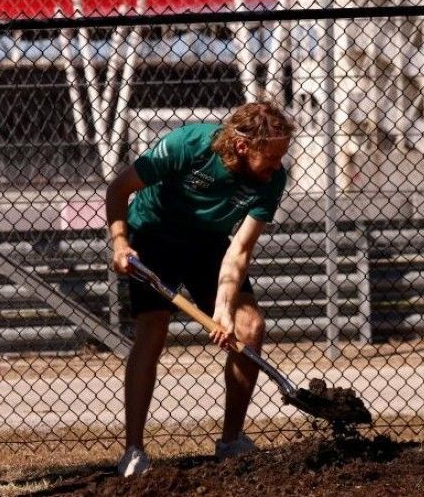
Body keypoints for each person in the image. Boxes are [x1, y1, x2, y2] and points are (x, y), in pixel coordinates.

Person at [105, 101, 294, 477]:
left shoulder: (271, 179)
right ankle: (134, 450)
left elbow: (239, 251)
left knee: (249, 327)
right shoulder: (188, 145)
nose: (278, 166)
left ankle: (231, 442)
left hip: (209, 243)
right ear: (243, 146)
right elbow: (118, 189)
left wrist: (223, 310)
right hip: (154, 235)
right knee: (153, 327)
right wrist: (120, 243)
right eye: (272, 157)